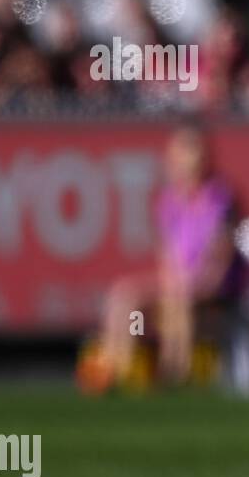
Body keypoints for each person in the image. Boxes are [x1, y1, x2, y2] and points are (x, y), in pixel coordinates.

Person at [79, 126, 240, 393]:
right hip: (179, 282)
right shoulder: (170, 201)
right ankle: (117, 368)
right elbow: (168, 255)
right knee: (124, 295)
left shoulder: (219, 199)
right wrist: (172, 280)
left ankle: (175, 373)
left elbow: (220, 257)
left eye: (191, 151)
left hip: (211, 287)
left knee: (179, 297)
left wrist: (191, 281)